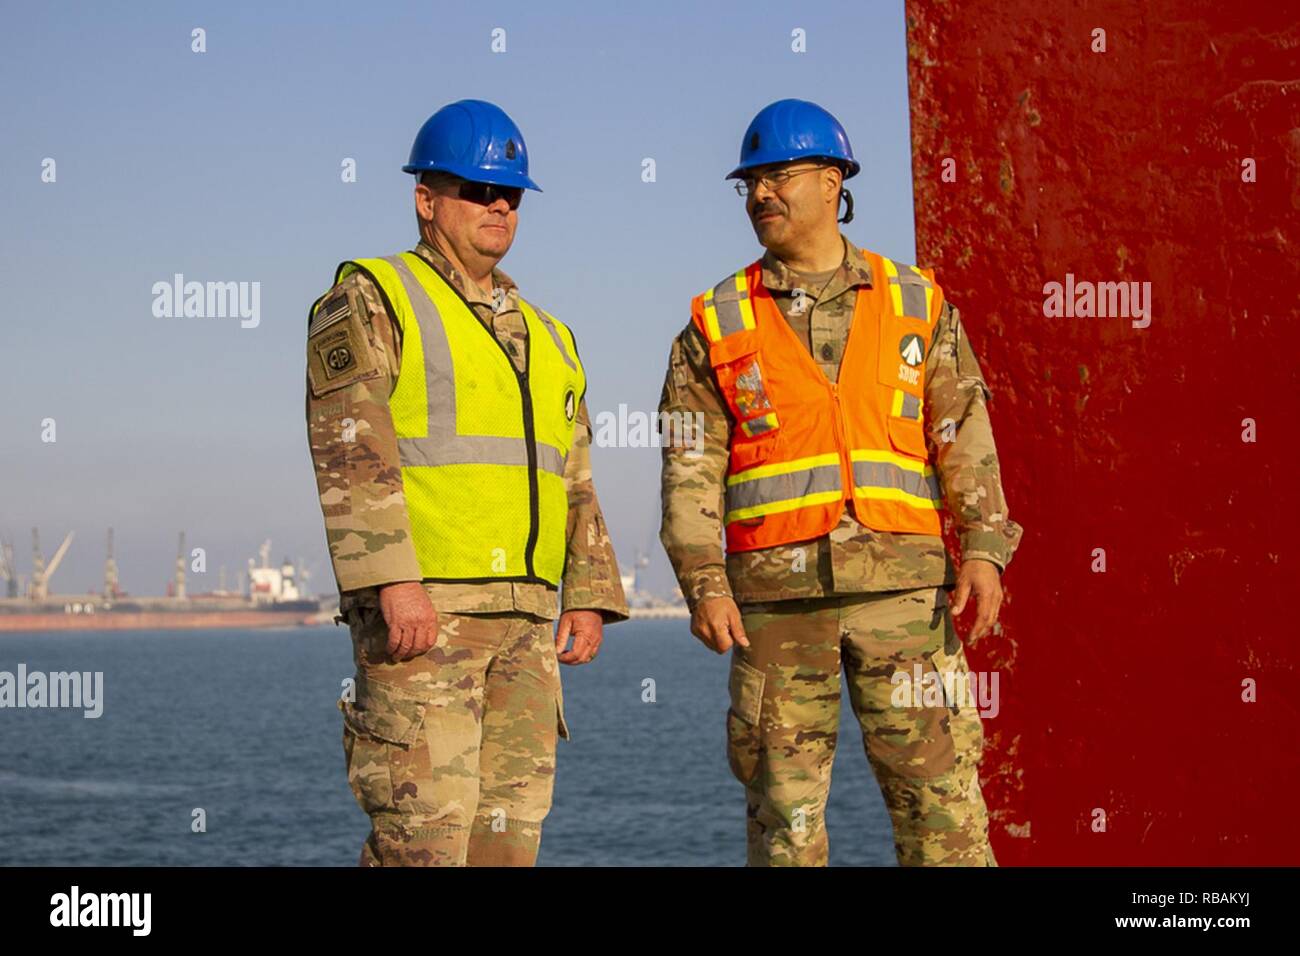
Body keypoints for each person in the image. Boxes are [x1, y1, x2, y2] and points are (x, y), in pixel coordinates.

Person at [658, 99, 1023, 866]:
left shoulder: (915, 302)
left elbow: (962, 432)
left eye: (778, 176)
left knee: (944, 814)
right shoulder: (717, 324)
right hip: (777, 611)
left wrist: (985, 548)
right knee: (785, 829)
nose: (761, 194)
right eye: (750, 182)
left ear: (832, 182)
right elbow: (689, 472)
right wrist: (704, 584)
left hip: (905, 599)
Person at [306, 99, 628, 866]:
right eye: (477, 190)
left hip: (525, 620)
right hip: (427, 616)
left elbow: (573, 475)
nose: (498, 206)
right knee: (423, 838)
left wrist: (588, 591)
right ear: (426, 200)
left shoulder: (549, 334)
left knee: (509, 840)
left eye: (509, 193)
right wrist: (392, 580)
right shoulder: (374, 296)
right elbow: (350, 444)